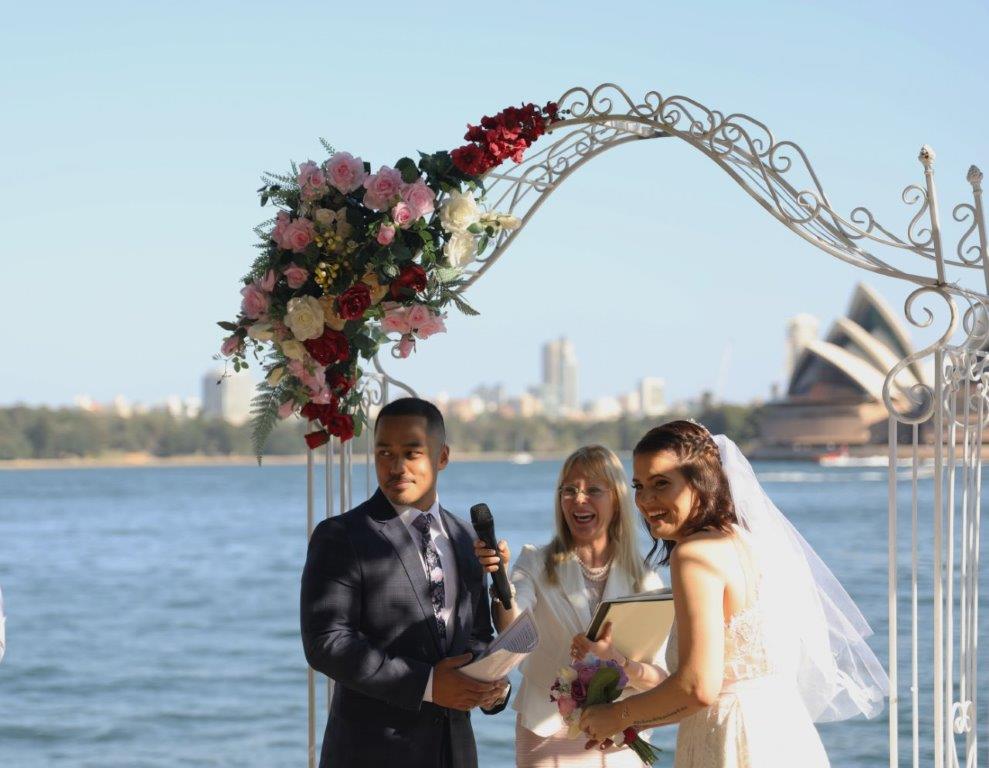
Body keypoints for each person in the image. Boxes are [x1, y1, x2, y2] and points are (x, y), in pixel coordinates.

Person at [578, 421, 889, 767]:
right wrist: (629, 722)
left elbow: (698, 688)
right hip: (785, 733)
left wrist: (617, 715)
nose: (646, 500)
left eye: (661, 483)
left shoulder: (694, 556)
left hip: (733, 740)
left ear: (702, 482)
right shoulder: (748, 542)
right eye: (639, 486)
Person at [300, 397, 509, 768]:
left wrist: (491, 687)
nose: (397, 467)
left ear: (442, 457)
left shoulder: (465, 537)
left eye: (412, 453)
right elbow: (326, 642)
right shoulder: (341, 535)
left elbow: (477, 635)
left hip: (455, 753)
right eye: (384, 453)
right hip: (370, 754)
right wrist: (428, 684)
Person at [474, 445, 666, 768]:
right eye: (569, 490)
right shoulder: (534, 561)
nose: (579, 499)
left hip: (622, 741)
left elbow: (659, 679)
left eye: (593, 490)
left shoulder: (646, 581)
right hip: (548, 738)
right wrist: (500, 580)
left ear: (617, 499)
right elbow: (512, 627)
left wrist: (622, 665)